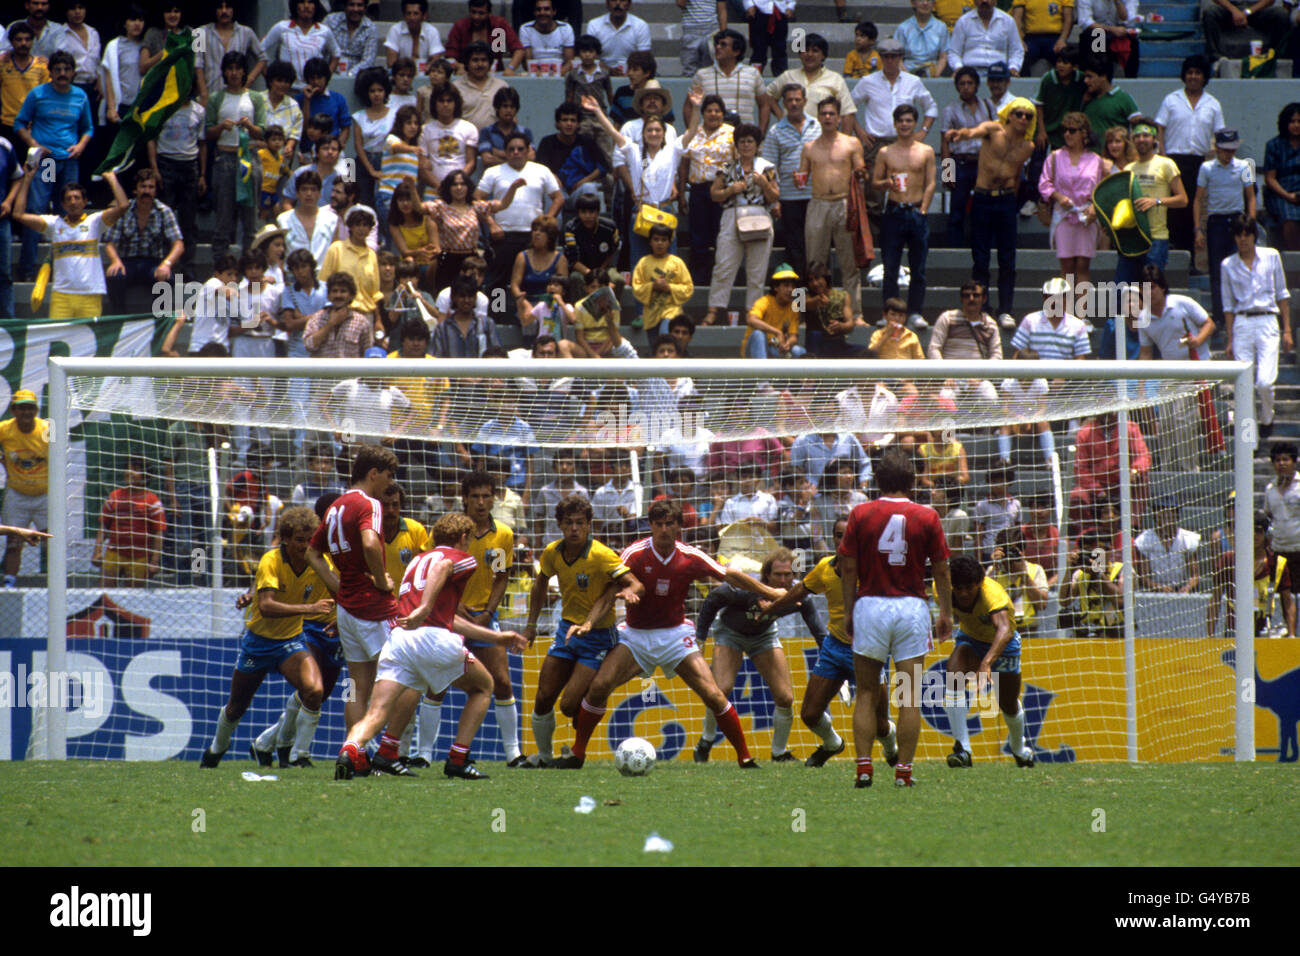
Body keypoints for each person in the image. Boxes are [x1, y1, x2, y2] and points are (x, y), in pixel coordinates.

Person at [551, 498, 784, 769]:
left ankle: (745, 757)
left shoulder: (690, 556)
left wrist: (770, 592)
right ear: (650, 525)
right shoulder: (634, 554)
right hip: (635, 636)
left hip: (675, 636)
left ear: (678, 527)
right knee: (600, 686)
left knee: (714, 694)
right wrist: (594, 618)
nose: (663, 529)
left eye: (669, 524)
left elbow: (728, 575)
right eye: (658, 524)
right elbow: (609, 590)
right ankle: (578, 754)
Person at [335, 512, 531, 780]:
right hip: (432, 639)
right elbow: (444, 568)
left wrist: (497, 638)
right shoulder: (459, 557)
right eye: (469, 539)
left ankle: (354, 750)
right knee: (484, 686)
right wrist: (425, 607)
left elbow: (448, 618)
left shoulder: (417, 560)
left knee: (378, 710)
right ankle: (458, 759)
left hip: (400, 640)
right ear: (463, 538)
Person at [840, 446, 952, 788]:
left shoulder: (860, 514)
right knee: (909, 695)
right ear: (913, 481)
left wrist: (848, 609)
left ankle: (863, 767)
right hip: (911, 608)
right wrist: (945, 610)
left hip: (871, 604)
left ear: (877, 480)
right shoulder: (927, 516)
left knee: (866, 692)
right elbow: (943, 569)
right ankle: (903, 773)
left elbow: (847, 565)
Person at [199, 506, 335, 768]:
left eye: (310, 539)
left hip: (290, 642)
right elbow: (266, 607)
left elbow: (338, 592)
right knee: (236, 708)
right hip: (258, 643)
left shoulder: (320, 563)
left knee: (315, 690)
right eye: (299, 540)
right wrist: (309, 609)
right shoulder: (271, 560)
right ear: (285, 538)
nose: (305, 545)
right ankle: (217, 749)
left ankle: (298, 755)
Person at [522, 494, 643, 765]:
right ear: (560, 525)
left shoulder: (601, 555)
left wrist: (630, 592)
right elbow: (540, 583)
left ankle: (592, 710)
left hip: (598, 637)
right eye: (568, 523)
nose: (574, 529)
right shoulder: (553, 552)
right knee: (543, 697)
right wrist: (531, 625)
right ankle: (543, 757)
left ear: (589, 525)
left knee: (567, 705)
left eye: (579, 523)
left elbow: (635, 583)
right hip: (566, 630)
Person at [303, 445, 397, 742]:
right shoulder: (368, 504)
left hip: (347, 609)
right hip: (372, 607)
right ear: (373, 473)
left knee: (357, 686)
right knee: (399, 679)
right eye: (388, 476)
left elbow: (312, 553)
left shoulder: (334, 507)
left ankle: (352, 749)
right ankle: (390, 753)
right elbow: (370, 544)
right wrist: (382, 580)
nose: (390, 483)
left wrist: (338, 585)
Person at [692, 547, 818, 763]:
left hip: (764, 636)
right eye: (777, 574)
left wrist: (829, 659)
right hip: (730, 634)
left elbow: (819, 631)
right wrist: (700, 639)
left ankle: (779, 753)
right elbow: (714, 597)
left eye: (788, 575)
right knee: (721, 690)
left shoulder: (799, 597)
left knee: (785, 697)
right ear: (766, 575)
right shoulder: (745, 590)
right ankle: (706, 741)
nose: (782, 579)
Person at [944, 97, 1036, 324]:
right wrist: (960, 134)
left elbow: (1016, 176)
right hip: (981, 194)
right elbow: (973, 131)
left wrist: (1012, 200)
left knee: (1008, 259)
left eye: (1028, 115)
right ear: (1009, 115)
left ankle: (1006, 309)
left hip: (1005, 200)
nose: (1023, 118)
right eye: (1019, 113)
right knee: (981, 257)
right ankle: (982, 307)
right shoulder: (993, 130)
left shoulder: (1028, 146)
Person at [941, 554, 1036, 769]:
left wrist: (986, 663)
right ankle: (963, 749)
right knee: (953, 677)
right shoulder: (944, 589)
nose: (963, 593)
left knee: (1008, 703)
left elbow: (1004, 631)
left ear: (979, 583)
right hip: (971, 640)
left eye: (969, 587)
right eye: (958, 588)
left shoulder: (993, 595)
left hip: (1003, 644)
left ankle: (1019, 750)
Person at [12, 50, 91, 282]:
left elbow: (88, 128)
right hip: (46, 162)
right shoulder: (38, 94)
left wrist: (81, 146)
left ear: (74, 72)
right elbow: (19, 123)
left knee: (67, 211)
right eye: (58, 70)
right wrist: (34, 145)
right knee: (36, 210)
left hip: (69, 160)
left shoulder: (80, 96)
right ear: (51, 72)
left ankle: (63, 268)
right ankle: (27, 269)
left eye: (67, 70)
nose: (63, 74)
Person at [12, 163, 125, 318]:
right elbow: (18, 214)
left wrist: (112, 179)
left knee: (87, 342)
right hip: (62, 295)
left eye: (77, 198)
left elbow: (124, 205)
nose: (73, 202)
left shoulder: (95, 222)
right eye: (68, 199)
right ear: (63, 205)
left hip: (90, 294)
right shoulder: (53, 224)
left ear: (85, 202)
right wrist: (27, 179)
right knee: (59, 341)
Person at [1136, 264, 1218, 471]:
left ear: (1162, 287)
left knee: (1183, 418)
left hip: (1195, 368)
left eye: (1152, 287)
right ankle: (1167, 469)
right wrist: (1141, 386)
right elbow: (1145, 353)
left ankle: (1190, 469)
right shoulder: (1143, 318)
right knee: (1164, 422)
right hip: (1170, 372)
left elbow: (1209, 324)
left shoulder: (1182, 303)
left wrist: (1197, 341)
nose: (1149, 293)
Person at [1223, 214, 1292, 442]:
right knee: (1244, 385)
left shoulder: (1271, 257)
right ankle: (1248, 440)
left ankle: (1267, 416)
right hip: (1242, 322)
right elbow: (1228, 305)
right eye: (1239, 235)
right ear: (1234, 237)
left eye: (1247, 234)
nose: (1243, 239)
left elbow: (1282, 294)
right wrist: (1230, 339)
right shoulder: (1228, 265)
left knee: (1264, 381)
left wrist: (1288, 330)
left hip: (1268, 320)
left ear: (1254, 236)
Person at [476, 131, 564, 304]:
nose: (516, 152)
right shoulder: (493, 172)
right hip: (503, 235)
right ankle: (498, 315)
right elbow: (477, 200)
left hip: (533, 236)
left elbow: (558, 198)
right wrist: (491, 224)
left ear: (528, 150)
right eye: (511, 149)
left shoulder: (541, 170)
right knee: (498, 282)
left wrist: (545, 223)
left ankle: (529, 315)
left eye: (520, 148)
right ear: (505, 151)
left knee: (529, 280)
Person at [706, 121, 780, 325]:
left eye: (750, 141)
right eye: (742, 141)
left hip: (759, 217)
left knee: (757, 270)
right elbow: (714, 195)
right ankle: (715, 310)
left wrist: (764, 184)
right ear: (736, 145)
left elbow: (774, 196)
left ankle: (752, 313)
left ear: (757, 144)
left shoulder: (766, 167)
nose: (746, 145)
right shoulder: (727, 168)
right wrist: (730, 190)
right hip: (732, 215)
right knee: (723, 266)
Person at [799, 96, 867, 317]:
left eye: (831, 114)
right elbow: (801, 178)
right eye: (823, 114)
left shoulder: (851, 143)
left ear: (838, 117)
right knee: (813, 264)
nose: (827, 117)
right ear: (818, 117)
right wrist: (796, 178)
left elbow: (861, 169)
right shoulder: (809, 147)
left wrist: (860, 171)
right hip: (818, 204)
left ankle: (855, 314)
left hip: (845, 203)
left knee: (850, 264)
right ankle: (805, 313)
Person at [1154, 55, 1223, 262]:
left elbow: (1219, 135)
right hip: (1172, 161)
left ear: (1204, 77)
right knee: (1171, 211)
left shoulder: (1213, 104)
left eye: (1198, 73)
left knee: (1192, 209)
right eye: (1190, 73)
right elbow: (1160, 127)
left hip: (1197, 163)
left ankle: (1189, 260)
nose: (1193, 77)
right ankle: (1168, 260)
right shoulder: (1171, 100)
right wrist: (1163, 157)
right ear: (1184, 76)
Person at [1039, 111, 1110, 308]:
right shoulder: (1055, 157)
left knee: (1083, 264)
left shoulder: (1096, 160)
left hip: (1086, 215)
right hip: (1064, 215)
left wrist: (1095, 207)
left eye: (1072, 130)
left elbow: (1103, 188)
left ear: (1083, 133)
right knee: (1067, 265)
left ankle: (1082, 313)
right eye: (1065, 130)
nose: (1067, 134)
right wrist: (1058, 196)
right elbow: (1044, 184)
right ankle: (1066, 311)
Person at [873, 104, 936, 324]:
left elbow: (931, 183)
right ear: (895, 123)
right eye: (900, 120)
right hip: (893, 211)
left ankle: (915, 312)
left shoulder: (926, 151)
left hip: (917, 211)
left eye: (909, 120)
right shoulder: (885, 152)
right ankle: (889, 313)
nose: (904, 124)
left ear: (915, 123)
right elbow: (875, 182)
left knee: (918, 268)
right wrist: (887, 183)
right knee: (890, 267)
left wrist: (924, 209)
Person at [1114, 118, 1189, 286]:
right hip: (1132, 239)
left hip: (1156, 239)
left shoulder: (1166, 164)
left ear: (1154, 139)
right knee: (1122, 291)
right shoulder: (1128, 169)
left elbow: (1183, 200)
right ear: (1133, 140)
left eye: (1146, 136)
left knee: (1151, 291)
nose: (1142, 139)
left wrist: (1156, 201)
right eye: (1138, 136)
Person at [102, 168, 183, 314]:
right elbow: (110, 243)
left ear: (155, 191)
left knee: (168, 279)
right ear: (135, 190)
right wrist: (115, 261)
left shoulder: (164, 211)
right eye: (143, 187)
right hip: (127, 261)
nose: (147, 191)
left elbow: (178, 244)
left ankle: (160, 322)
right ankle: (119, 319)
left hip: (153, 262)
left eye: (151, 187)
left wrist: (167, 264)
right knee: (115, 276)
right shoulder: (124, 210)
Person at [1193, 129, 1255, 315]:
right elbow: (1198, 199)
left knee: (1240, 267)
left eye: (1232, 150)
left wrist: (1250, 223)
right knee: (1218, 271)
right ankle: (1220, 315)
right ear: (1217, 148)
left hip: (1237, 219)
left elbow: (1251, 197)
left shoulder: (1244, 166)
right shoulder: (1207, 168)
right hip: (1216, 221)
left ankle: (1242, 309)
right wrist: (1198, 229)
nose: (1229, 154)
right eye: (1225, 150)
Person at [1208, 512, 1293, 639]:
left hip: (1265, 631)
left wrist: (1291, 635)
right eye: (1249, 530)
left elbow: (1288, 602)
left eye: (1258, 531)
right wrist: (1210, 636)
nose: (1253, 535)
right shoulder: (1228, 560)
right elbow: (1215, 599)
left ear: (1266, 535)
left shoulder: (1277, 564)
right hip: (1234, 630)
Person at [680, 92, 734, 281]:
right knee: (698, 236)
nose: (713, 114)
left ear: (723, 113)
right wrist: (680, 194)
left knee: (723, 236)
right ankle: (699, 278)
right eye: (709, 110)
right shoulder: (693, 133)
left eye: (717, 111)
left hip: (723, 191)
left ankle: (722, 278)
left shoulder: (732, 133)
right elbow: (684, 165)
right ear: (703, 113)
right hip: (698, 190)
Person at [940, 67, 995, 246]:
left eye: (970, 83)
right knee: (957, 209)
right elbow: (945, 143)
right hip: (961, 163)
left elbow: (995, 135)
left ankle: (982, 247)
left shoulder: (988, 106)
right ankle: (954, 251)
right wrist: (947, 172)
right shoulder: (950, 110)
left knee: (983, 208)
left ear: (977, 85)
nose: (966, 87)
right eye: (962, 83)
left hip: (983, 163)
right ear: (957, 87)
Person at [0, 390, 49, 586]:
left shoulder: (47, 428)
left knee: (51, 542)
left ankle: (56, 586)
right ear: (13, 410)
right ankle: (10, 585)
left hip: (45, 495)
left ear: (36, 410)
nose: (27, 412)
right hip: (17, 494)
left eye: (30, 408)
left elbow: (60, 452)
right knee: (14, 542)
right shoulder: (4, 429)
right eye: (22, 408)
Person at [93, 455, 166, 587]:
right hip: (113, 553)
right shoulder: (115, 496)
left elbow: (158, 533)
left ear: (146, 476)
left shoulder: (152, 501)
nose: (129, 472)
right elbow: (103, 526)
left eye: (135, 469)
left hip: (140, 556)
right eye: (127, 468)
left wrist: (154, 561)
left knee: (133, 596)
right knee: (104, 590)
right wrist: (97, 551)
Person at [688, 29, 768, 128]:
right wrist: (692, 134)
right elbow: (689, 106)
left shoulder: (753, 74)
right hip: (711, 138)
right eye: (716, 44)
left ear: (736, 51)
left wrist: (760, 133)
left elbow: (764, 105)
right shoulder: (702, 75)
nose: (717, 47)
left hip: (744, 137)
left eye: (723, 45)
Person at [537, 101, 609, 209]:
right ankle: (552, 225)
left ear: (578, 124)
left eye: (573, 120)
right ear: (558, 124)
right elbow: (539, 167)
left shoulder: (587, 141)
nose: (569, 124)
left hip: (579, 192)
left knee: (589, 187)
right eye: (565, 120)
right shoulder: (547, 142)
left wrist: (584, 181)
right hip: (557, 191)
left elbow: (603, 166)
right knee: (551, 189)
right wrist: (553, 178)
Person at [262, 0, 340, 89]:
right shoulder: (282, 27)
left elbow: (336, 53)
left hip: (313, 91)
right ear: (295, 6)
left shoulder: (324, 30)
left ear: (316, 6)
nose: (306, 6)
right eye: (302, 2)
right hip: (287, 90)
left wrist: (325, 78)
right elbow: (260, 50)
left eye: (311, 2)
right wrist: (269, 78)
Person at [1135, 499, 1201, 594]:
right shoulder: (1144, 539)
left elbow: (1194, 575)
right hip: (1153, 593)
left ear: (1176, 515)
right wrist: (1158, 587)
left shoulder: (1187, 538)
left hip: (1181, 591)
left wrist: (1187, 587)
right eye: (1160, 511)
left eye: (1170, 511)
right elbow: (1143, 576)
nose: (1165, 515)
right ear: (1154, 515)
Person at [1200, 0, 1293, 64]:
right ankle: (1214, 55)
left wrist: (1247, 12)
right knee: (1210, 13)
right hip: (1230, 9)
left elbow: (1270, 1)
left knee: (1281, 14)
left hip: (1256, 10)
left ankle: (1277, 55)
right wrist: (1234, 10)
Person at [445, 0, 525, 74]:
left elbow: (518, 50)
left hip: (495, 74)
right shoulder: (460, 26)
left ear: (489, 13)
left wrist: (510, 68)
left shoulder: (499, 25)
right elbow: (450, 56)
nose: (476, 17)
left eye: (481, 13)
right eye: (473, 12)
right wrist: (458, 65)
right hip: (466, 74)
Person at [1079, 59, 1140, 156]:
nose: (1086, 81)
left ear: (1103, 76)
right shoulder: (1086, 100)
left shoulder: (1123, 98)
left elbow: (1138, 125)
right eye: (1085, 77)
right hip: (1089, 160)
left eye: (1090, 77)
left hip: (1114, 160)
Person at [947, 0, 1023, 75]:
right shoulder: (963, 21)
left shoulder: (1008, 21)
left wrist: (1013, 67)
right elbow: (954, 52)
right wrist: (958, 68)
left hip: (999, 72)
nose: (984, 1)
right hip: (970, 71)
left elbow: (1017, 50)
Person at [1262, 103, 1300, 251]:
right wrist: (1288, 196)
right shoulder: (1274, 145)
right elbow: (1270, 178)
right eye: (1292, 121)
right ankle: (1295, 260)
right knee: (1290, 218)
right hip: (1281, 193)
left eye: (1299, 121)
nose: (1296, 125)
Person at [586, 0, 652, 76]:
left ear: (629, 4)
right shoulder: (594, 24)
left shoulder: (640, 25)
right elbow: (589, 56)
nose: (617, 3)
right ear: (607, 3)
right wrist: (608, 70)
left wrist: (630, 72)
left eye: (622, 0)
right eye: (613, 0)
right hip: (600, 73)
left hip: (632, 74)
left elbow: (644, 57)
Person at [452, 42, 508, 131]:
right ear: (467, 63)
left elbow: (510, 116)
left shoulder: (501, 86)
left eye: (484, 60)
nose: (480, 64)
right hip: (466, 140)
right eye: (475, 60)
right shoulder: (455, 88)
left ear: (490, 63)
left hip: (495, 141)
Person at [1077, 0, 1140, 78]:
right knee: (1098, 36)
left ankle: (1131, 77)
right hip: (1096, 30)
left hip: (1118, 29)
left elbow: (1128, 20)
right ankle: (1098, 76)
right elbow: (1085, 22)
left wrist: (1118, 2)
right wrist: (1111, 29)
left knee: (1132, 41)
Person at [1012, 0, 1073, 76]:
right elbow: (1017, 18)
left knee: (1064, 55)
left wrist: (1062, 39)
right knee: (1021, 56)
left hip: (1055, 38)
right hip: (1031, 38)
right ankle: (1023, 83)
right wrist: (1020, 41)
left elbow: (1069, 19)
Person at [323, 0, 378, 77]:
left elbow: (368, 60)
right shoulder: (331, 21)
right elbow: (321, 49)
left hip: (357, 77)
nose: (355, 9)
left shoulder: (370, 28)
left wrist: (349, 75)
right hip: (328, 74)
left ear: (365, 8)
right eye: (351, 5)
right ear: (345, 6)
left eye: (359, 5)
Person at [520, 0, 575, 74]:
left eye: (546, 9)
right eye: (538, 9)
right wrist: (541, 76)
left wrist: (555, 75)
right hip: (535, 74)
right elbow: (527, 62)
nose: (542, 13)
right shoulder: (526, 29)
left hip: (561, 73)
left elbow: (569, 62)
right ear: (534, 12)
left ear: (554, 12)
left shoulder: (565, 28)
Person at [897, 0, 950, 76]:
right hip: (907, 73)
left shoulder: (941, 27)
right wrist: (907, 77)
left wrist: (935, 75)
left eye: (929, 0)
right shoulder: (903, 28)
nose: (925, 3)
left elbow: (943, 57)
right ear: (913, 3)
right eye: (921, 0)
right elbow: (898, 59)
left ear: (934, 3)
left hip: (932, 72)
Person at [678, 0, 725, 77]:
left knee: (711, 67)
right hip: (691, 28)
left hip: (711, 29)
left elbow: (722, 11)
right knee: (689, 68)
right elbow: (680, 3)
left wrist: (723, 35)